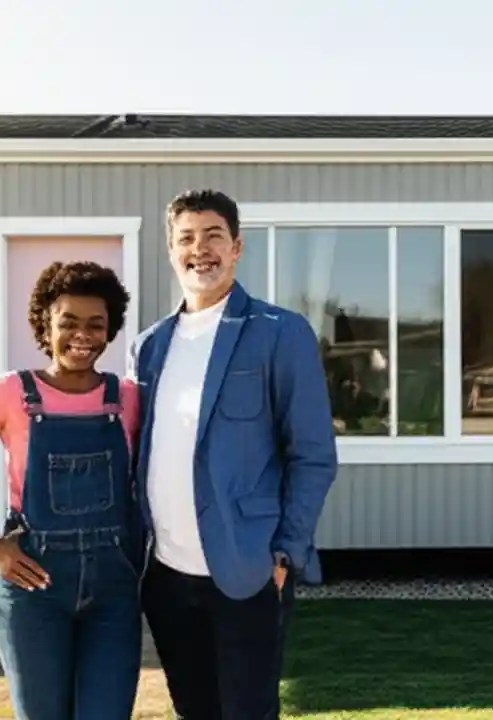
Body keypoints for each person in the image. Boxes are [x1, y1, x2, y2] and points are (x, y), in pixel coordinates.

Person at [128, 188, 339, 718]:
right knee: (194, 711)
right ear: (171, 251)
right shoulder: (149, 346)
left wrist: (286, 552)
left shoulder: (279, 332)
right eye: (186, 239)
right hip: (168, 574)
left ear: (237, 246)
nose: (200, 249)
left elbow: (312, 454)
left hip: (248, 572)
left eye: (213, 236)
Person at [0, 260, 142, 719]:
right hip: (33, 588)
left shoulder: (126, 398)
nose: (81, 335)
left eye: (95, 324)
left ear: (110, 331)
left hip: (113, 590)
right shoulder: (8, 393)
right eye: (68, 322)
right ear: (46, 323)